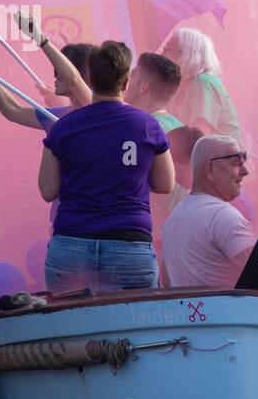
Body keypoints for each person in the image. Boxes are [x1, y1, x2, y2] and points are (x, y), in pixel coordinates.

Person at [39, 41, 176, 292]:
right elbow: (166, 184)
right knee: (136, 327)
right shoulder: (149, 126)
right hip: (130, 248)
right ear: (124, 84)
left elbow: (48, 190)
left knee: (73, 329)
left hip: (71, 248)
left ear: (90, 78)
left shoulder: (62, 127)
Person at [161, 134, 256, 289]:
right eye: (235, 163)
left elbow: (167, 282)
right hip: (226, 313)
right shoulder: (223, 216)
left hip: (184, 312)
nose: (245, 171)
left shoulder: (172, 219)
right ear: (210, 169)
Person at [0, 41, 95, 132]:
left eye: (60, 71)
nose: (56, 76)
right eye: (56, 71)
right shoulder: (60, 116)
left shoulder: (100, 109)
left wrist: (41, 39)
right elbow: (13, 110)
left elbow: (73, 80)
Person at [161, 27, 245, 146]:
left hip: (221, 160)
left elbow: (200, 136)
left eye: (167, 49)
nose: (161, 54)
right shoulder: (179, 85)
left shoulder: (203, 83)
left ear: (185, 55)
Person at [125, 51, 184, 132]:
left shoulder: (142, 130)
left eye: (132, 75)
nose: (126, 79)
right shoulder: (180, 128)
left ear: (144, 87)